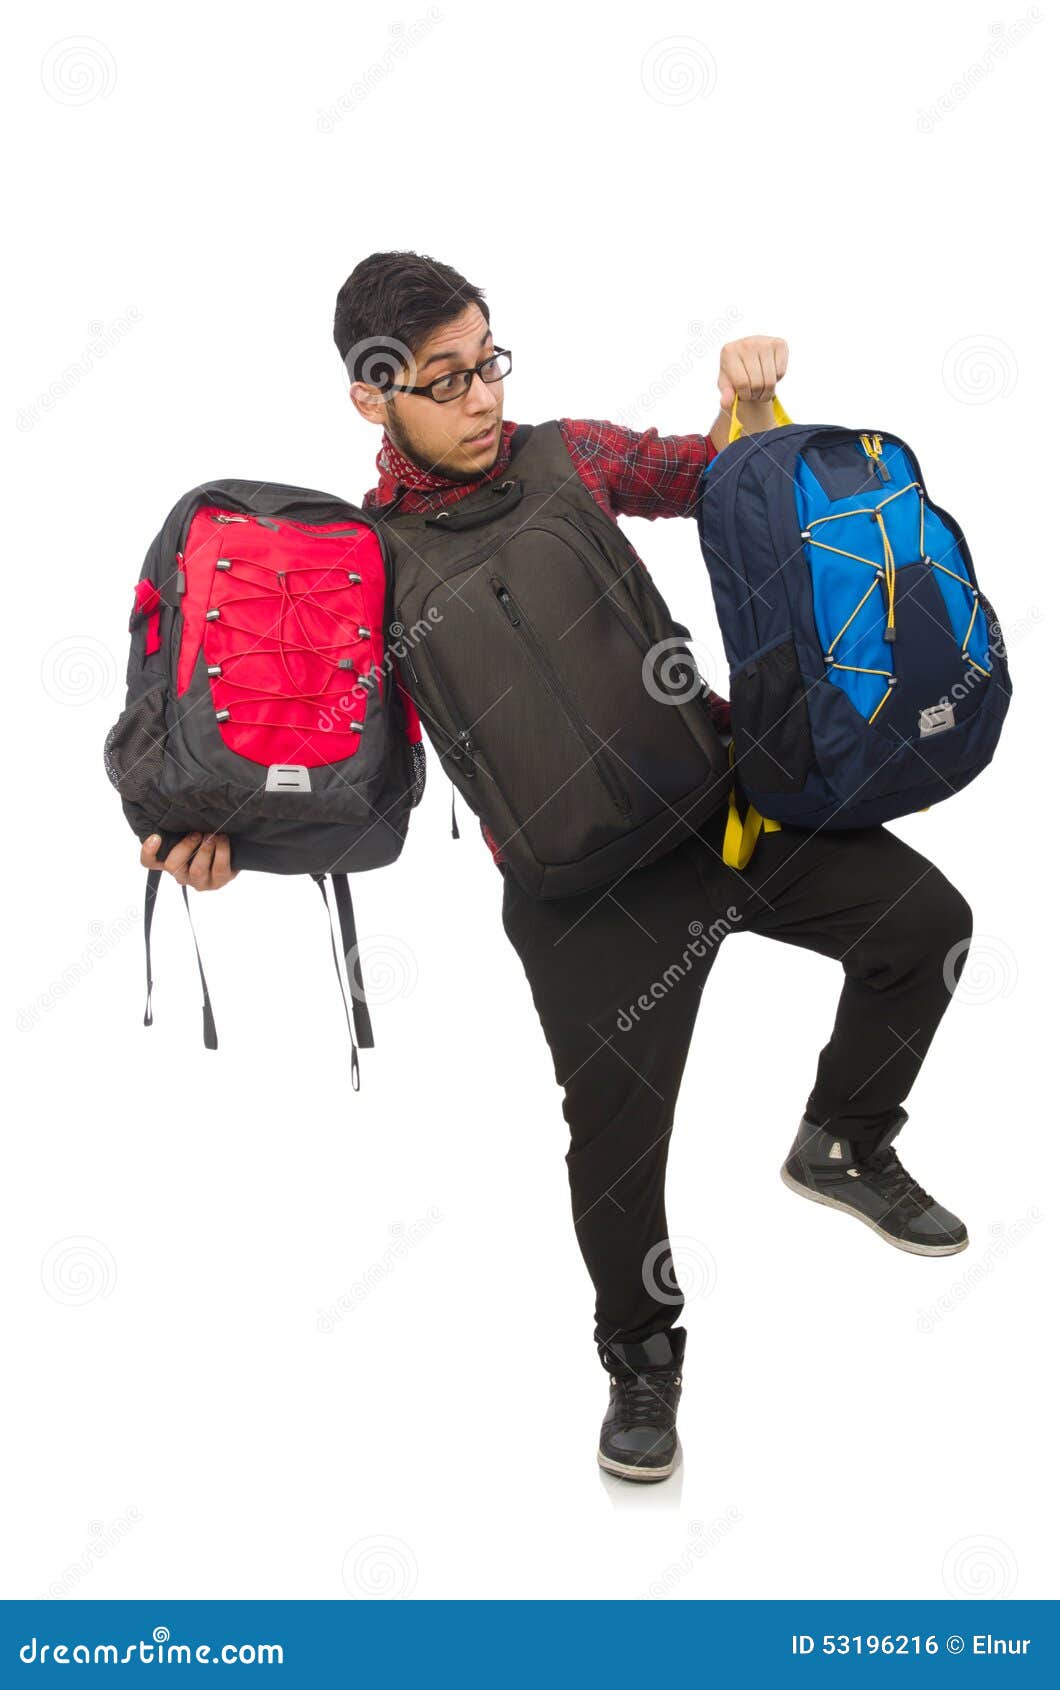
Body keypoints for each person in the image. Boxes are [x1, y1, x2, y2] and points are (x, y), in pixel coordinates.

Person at [142, 250, 974, 1484]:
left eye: (487, 363)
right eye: (444, 379)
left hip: (731, 815)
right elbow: (321, 751)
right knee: (616, 1156)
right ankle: (641, 1358)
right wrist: (227, 847)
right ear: (372, 398)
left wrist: (746, 397)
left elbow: (718, 480)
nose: (481, 399)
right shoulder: (362, 569)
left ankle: (844, 1139)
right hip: (585, 899)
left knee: (928, 926)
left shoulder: (568, 455)